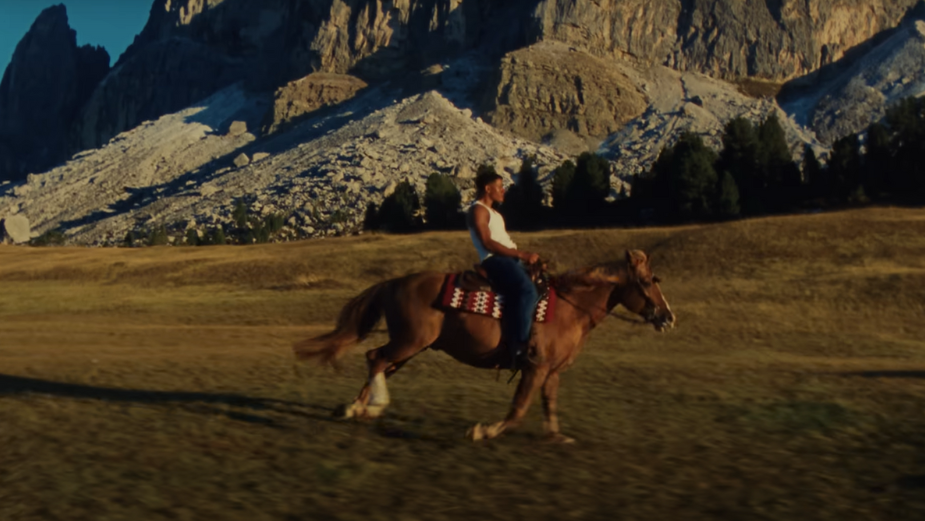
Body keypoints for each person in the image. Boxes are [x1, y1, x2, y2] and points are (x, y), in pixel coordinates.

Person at [467, 168, 542, 370]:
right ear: (487, 188)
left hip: (507, 259)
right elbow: (488, 243)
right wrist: (522, 255)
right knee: (526, 291)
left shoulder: (494, 213)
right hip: (495, 260)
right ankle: (518, 347)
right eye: (499, 187)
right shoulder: (478, 210)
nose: (503, 191)